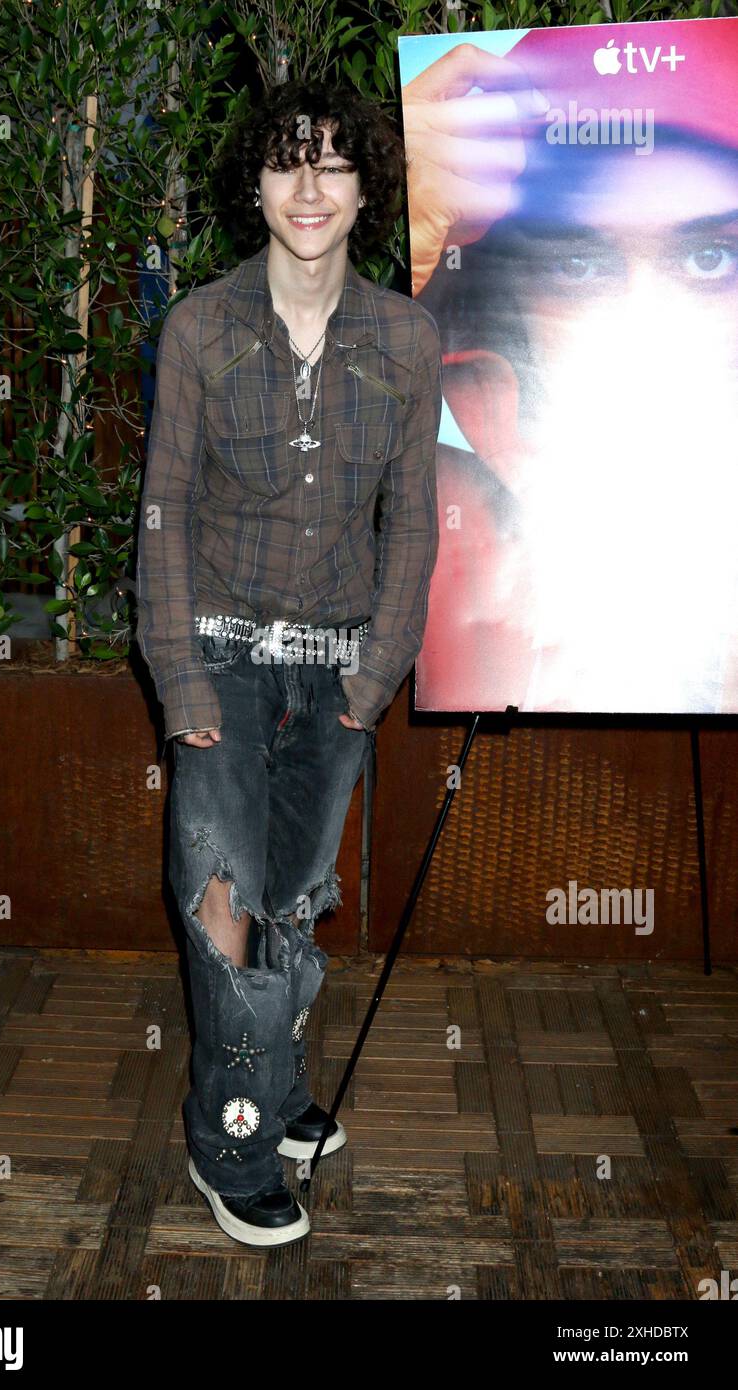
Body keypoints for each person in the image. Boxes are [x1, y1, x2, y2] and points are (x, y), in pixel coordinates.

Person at [135, 79, 442, 1246]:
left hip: (338, 666)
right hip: (216, 647)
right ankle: (237, 1138)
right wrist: (179, 672)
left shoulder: (404, 337)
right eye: (282, 164)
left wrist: (376, 676)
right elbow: (161, 510)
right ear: (254, 186)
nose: (306, 189)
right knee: (224, 904)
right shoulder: (201, 327)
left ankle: (277, 1083)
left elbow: (409, 523)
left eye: (330, 165)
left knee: (295, 902)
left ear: (364, 187)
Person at [402, 24, 738, 715]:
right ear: (503, 290)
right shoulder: (433, 508)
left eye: (711, 259)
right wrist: (415, 248)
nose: (647, 326)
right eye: (577, 265)